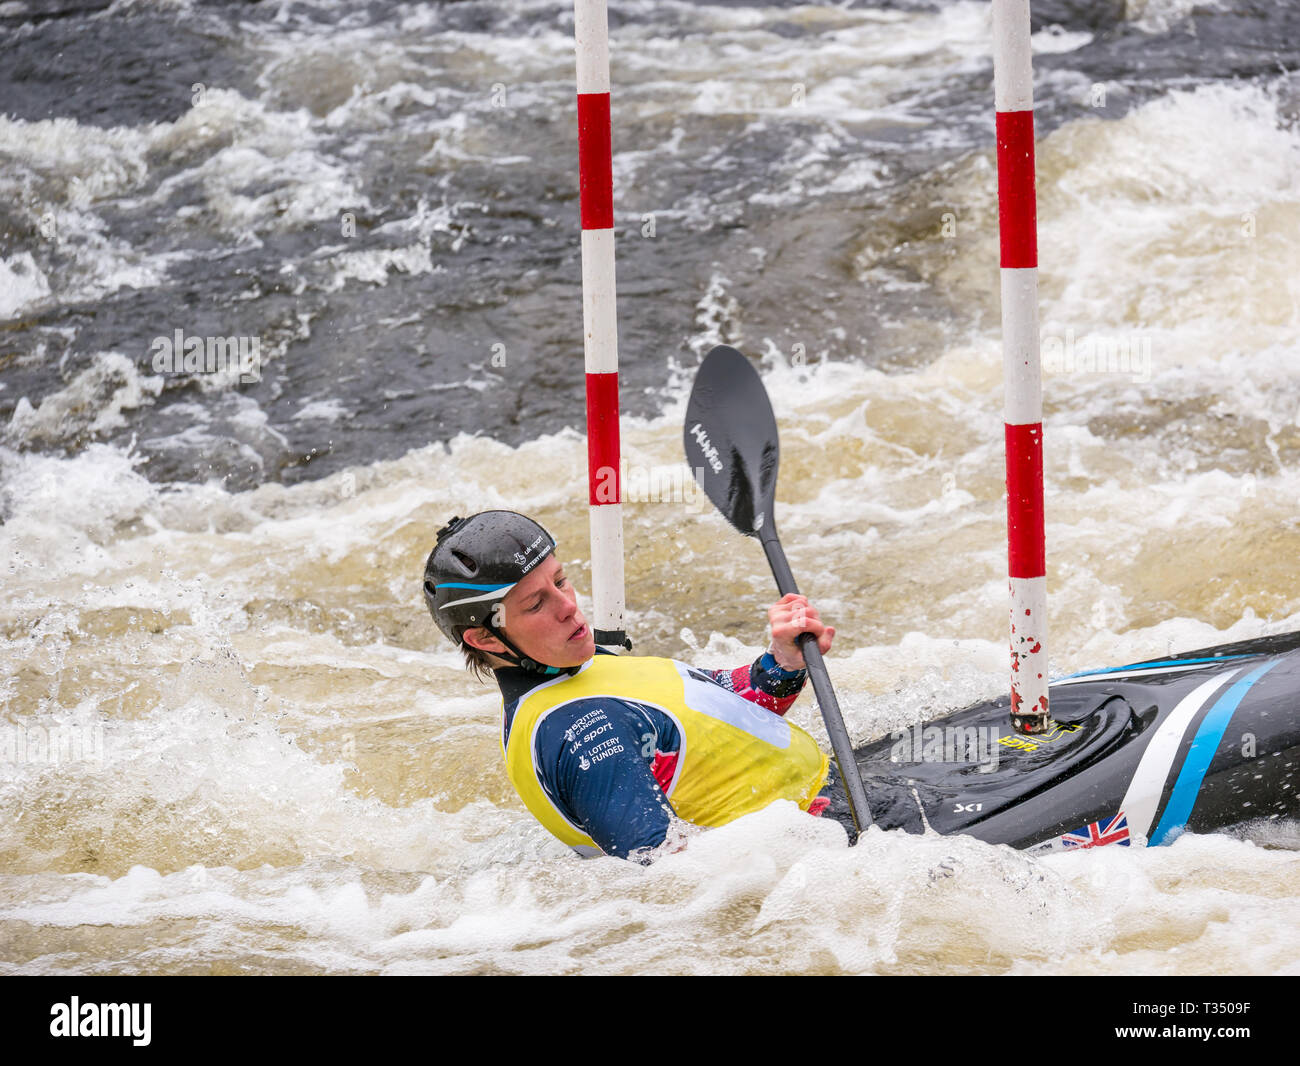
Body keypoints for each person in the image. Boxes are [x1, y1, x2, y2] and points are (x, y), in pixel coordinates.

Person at [423, 510, 851, 862]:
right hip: (828, 842)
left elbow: (730, 709)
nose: (568, 605)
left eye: (560, 581)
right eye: (536, 603)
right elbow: (674, 878)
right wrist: (814, 846)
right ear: (483, 638)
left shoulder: (585, 672)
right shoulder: (578, 728)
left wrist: (783, 661)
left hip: (835, 801)